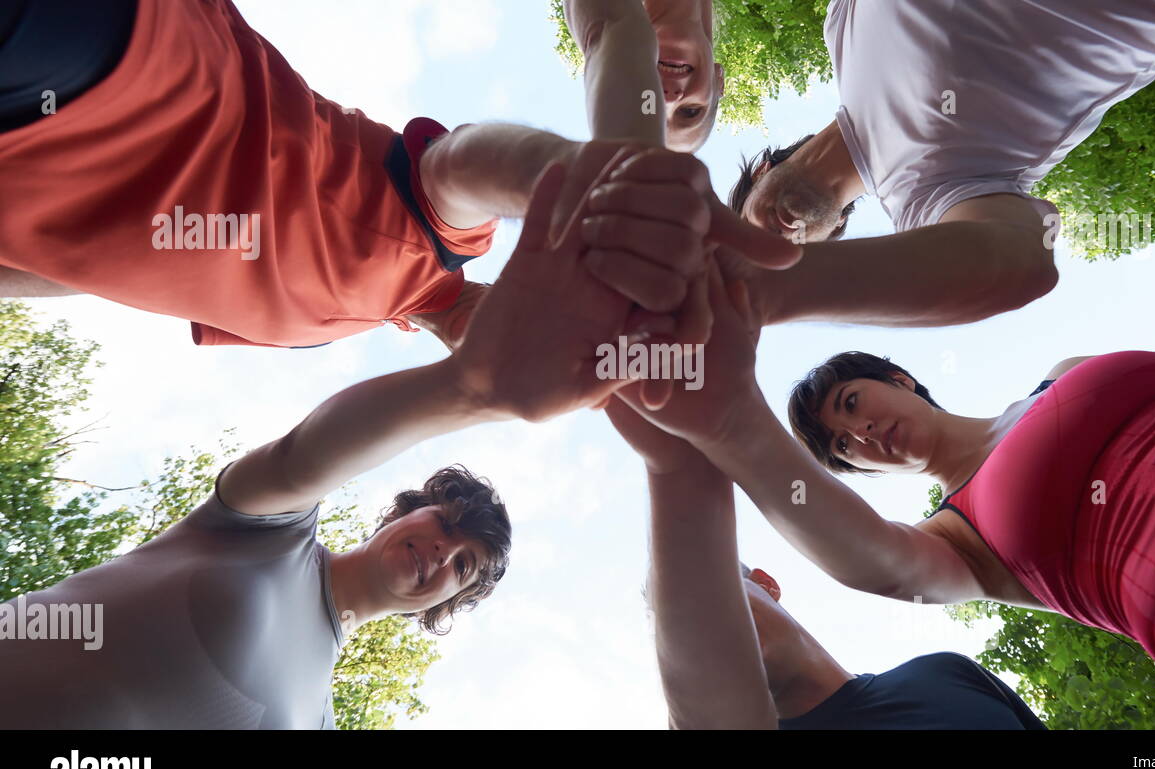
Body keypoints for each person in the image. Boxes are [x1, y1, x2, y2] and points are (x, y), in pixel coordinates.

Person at [0, 152, 673, 729]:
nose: (442, 553)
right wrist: (474, 388)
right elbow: (304, 458)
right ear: (402, 513)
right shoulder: (272, 532)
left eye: (462, 567)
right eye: (444, 524)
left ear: (445, 605)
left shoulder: (318, 716)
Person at [614, 271, 1155, 730]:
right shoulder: (954, 539)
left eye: (851, 403)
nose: (859, 431)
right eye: (842, 446)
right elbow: (874, 560)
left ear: (899, 376)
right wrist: (729, 417)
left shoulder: (1065, 375)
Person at [0, 0, 790, 352]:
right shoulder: (449, 243)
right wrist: (593, 185)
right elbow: (472, 162)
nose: (672, 99)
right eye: (686, 112)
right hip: (122, 63)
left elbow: (116, 272)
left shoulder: (321, 330)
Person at [727, 0, 1155, 320]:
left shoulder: (842, 27)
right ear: (835, 236)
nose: (782, 238)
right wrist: (761, 297)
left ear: (758, 176)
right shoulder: (926, 198)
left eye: (753, 233)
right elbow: (1017, 262)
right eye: (790, 255)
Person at [605, 347, 1045, 730]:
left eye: (711, 600)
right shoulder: (958, 541)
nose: (706, 630)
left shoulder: (947, 675)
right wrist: (676, 461)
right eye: (678, 630)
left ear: (767, 585)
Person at [564, 0, 723, 153]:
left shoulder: (621, 34)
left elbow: (612, 28)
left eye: (646, 102)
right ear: (719, 82)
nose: (668, 99)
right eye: (689, 112)